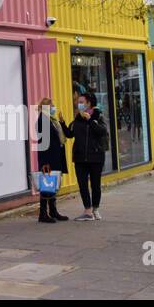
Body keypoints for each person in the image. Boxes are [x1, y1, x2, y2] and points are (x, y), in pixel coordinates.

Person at [61, 91, 108, 221]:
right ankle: (87, 211)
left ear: (89, 103)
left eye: (81, 102)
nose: (78, 104)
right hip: (80, 157)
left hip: (96, 157)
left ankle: (95, 209)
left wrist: (91, 121)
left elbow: (102, 131)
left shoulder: (98, 117)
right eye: (78, 102)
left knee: (95, 185)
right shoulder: (77, 118)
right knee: (82, 185)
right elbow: (70, 134)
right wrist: (62, 123)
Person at [33, 98, 70, 223]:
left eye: (53, 105)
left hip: (55, 157)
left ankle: (53, 211)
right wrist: (46, 162)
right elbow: (44, 143)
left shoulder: (51, 120)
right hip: (47, 158)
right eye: (50, 106)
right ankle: (43, 213)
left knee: (52, 186)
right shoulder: (42, 121)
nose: (53, 107)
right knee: (46, 186)